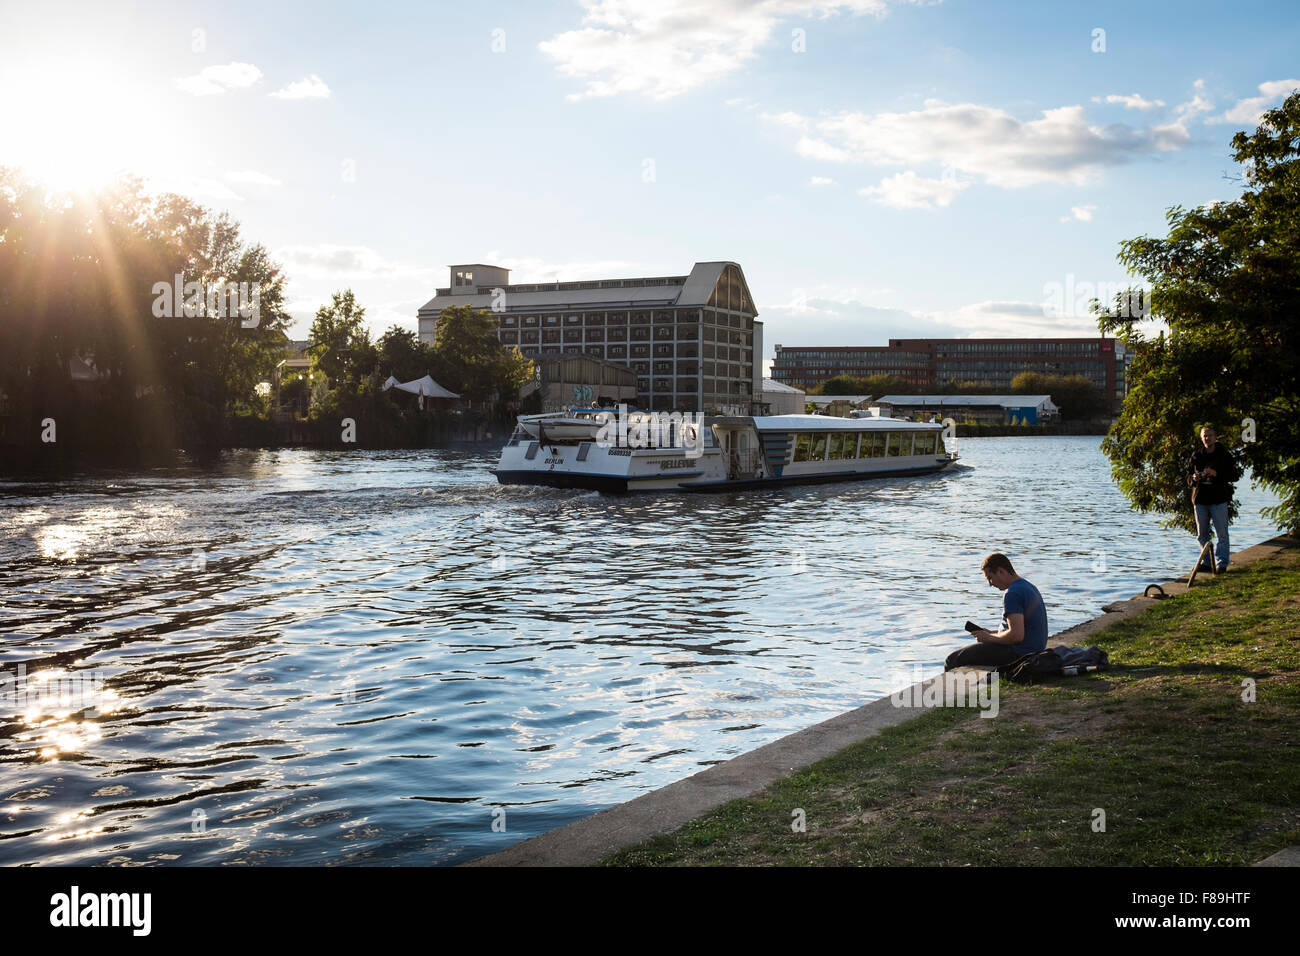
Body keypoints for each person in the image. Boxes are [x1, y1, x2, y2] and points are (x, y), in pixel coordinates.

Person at [945, 552, 1049, 670]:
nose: (990, 584)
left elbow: (1016, 636)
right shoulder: (1028, 586)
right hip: (1035, 648)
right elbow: (1020, 628)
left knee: (952, 660)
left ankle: (954, 687)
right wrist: (991, 633)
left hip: (1019, 653)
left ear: (1000, 571)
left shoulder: (1012, 593)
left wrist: (988, 638)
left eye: (990, 578)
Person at [1186, 424, 1240, 573]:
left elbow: (1234, 476)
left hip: (1218, 499)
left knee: (1222, 533)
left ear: (1215, 437)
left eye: (1209, 435)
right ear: (1201, 438)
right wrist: (1195, 478)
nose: (1207, 438)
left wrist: (1216, 474)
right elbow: (1188, 478)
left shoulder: (1224, 455)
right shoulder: (1196, 456)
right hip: (1200, 499)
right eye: (1204, 435)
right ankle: (1207, 562)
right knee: (1201, 535)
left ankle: (1222, 563)